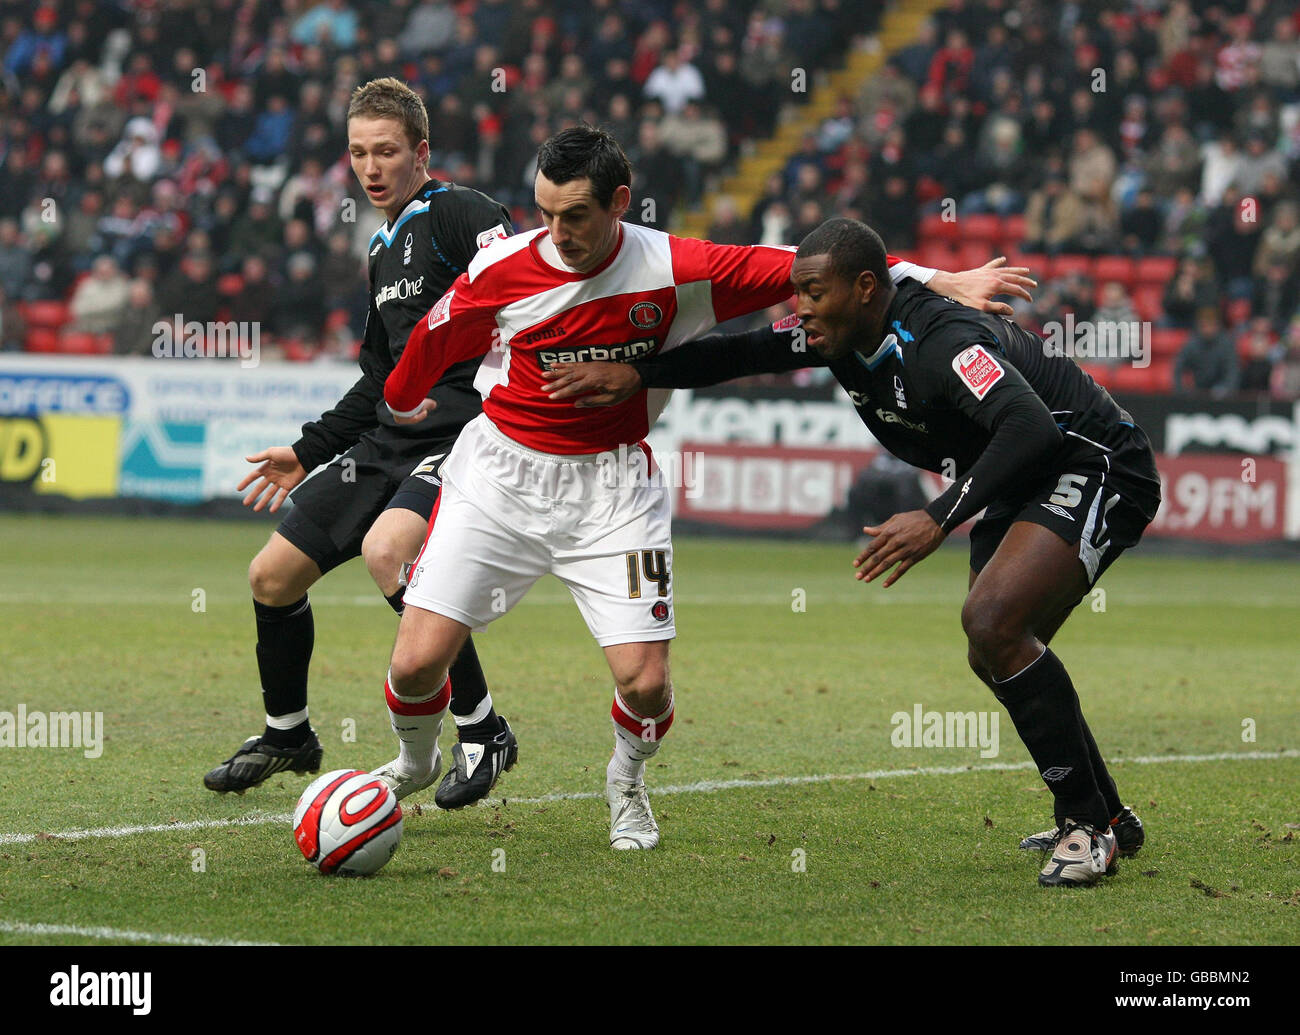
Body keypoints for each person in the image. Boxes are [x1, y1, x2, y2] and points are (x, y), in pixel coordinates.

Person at [371, 126, 1033, 851]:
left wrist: (939, 279)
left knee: (646, 685)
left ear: (620, 202)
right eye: (544, 213)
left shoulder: (676, 267)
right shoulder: (502, 266)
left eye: (575, 217)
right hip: (502, 474)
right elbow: (428, 344)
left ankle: (626, 780)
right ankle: (415, 757)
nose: (556, 233)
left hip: (612, 486)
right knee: (413, 661)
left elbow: (820, 267)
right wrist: (403, 397)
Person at [544, 216, 1159, 886]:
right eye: (797, 291)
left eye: (813, 291)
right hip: (1020, 470)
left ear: (866, 288)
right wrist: (635, 373)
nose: (799, 306)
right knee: (999, 643)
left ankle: (1086, 826)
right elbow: (741, 353)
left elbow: (1030, 422)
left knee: (995, 624)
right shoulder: (836, 335)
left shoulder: (940, 339)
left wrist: (935, 517)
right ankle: (1107, 815)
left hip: (1093, 459)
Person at [203, 78, 520, 809]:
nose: (370, 166)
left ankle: (483, 728)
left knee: (389, 552)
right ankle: (288, 733)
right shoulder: (382, 249)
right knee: (271, 576)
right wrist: (306, 451)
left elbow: (524, 286)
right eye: (357, 153)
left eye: (385, 151)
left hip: (463, 437)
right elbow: (377, 381)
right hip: (387, 442)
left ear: (420, 153)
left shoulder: (460, 213)